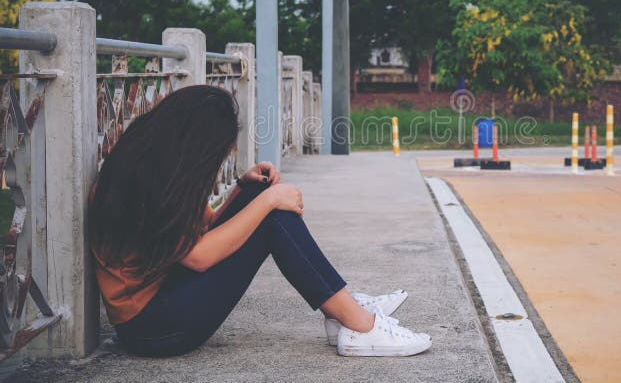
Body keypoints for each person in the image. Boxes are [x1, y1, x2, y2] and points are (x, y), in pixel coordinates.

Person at [89, 84, 432, 358]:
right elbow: (198, 256)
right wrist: (268, 202)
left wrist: (243, 189)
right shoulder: (146, 182)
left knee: (262, 199)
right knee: (270, 213)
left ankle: (341, 311)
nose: (217, 166)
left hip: (166, 294)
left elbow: (201, 235)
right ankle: (358, 323)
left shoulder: (155, 161)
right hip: (153, 328)